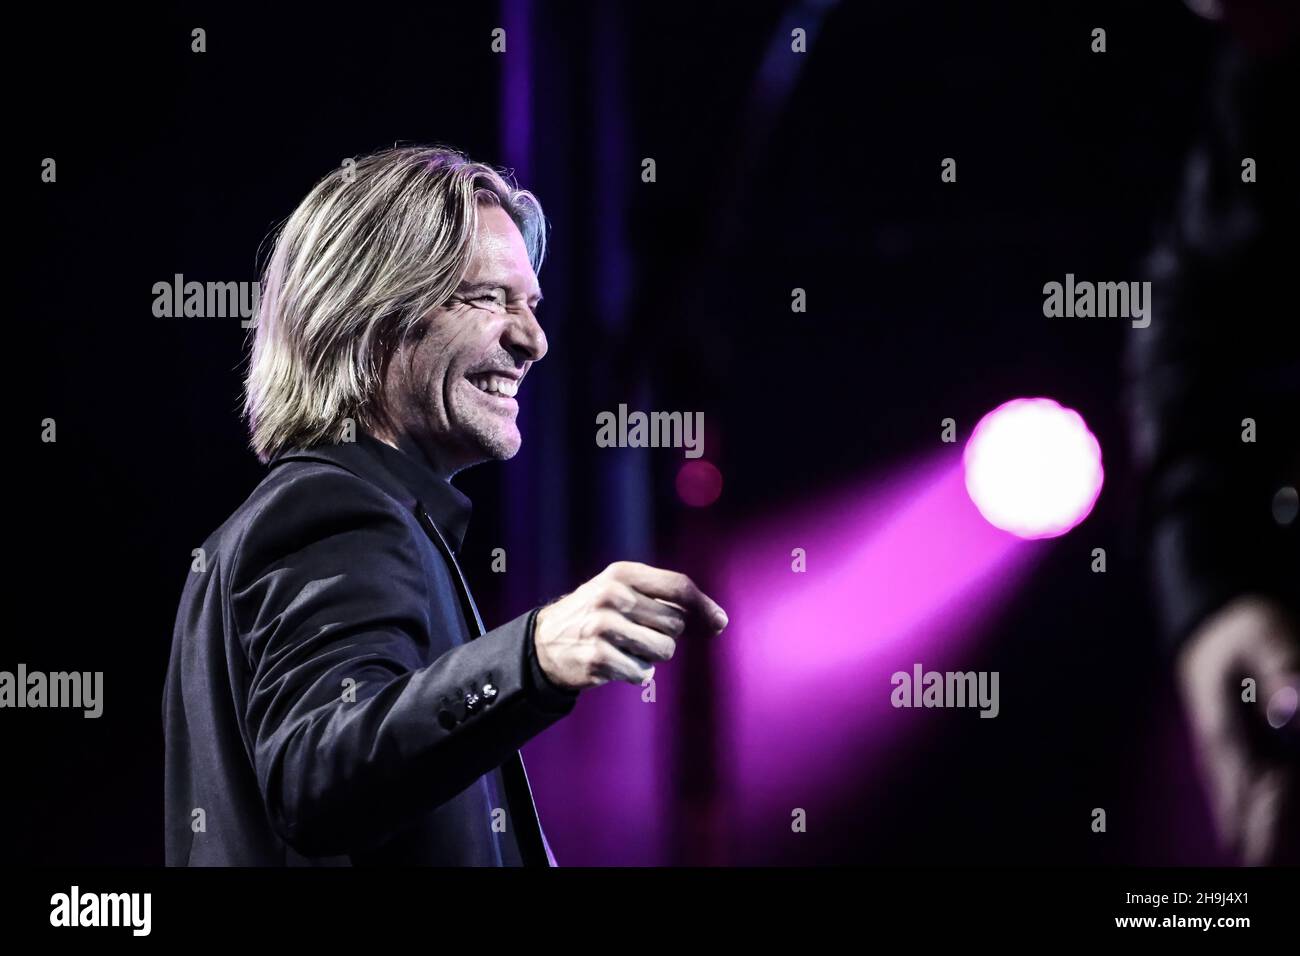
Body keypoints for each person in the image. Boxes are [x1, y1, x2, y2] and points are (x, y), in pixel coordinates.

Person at [162, 146, 728, 866]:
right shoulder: (334, 505)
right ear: (368, 315)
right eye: (489, 298)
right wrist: (534, 656)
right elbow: (317, 775)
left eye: (532, 304)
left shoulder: (365, 512)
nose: (533, 339)